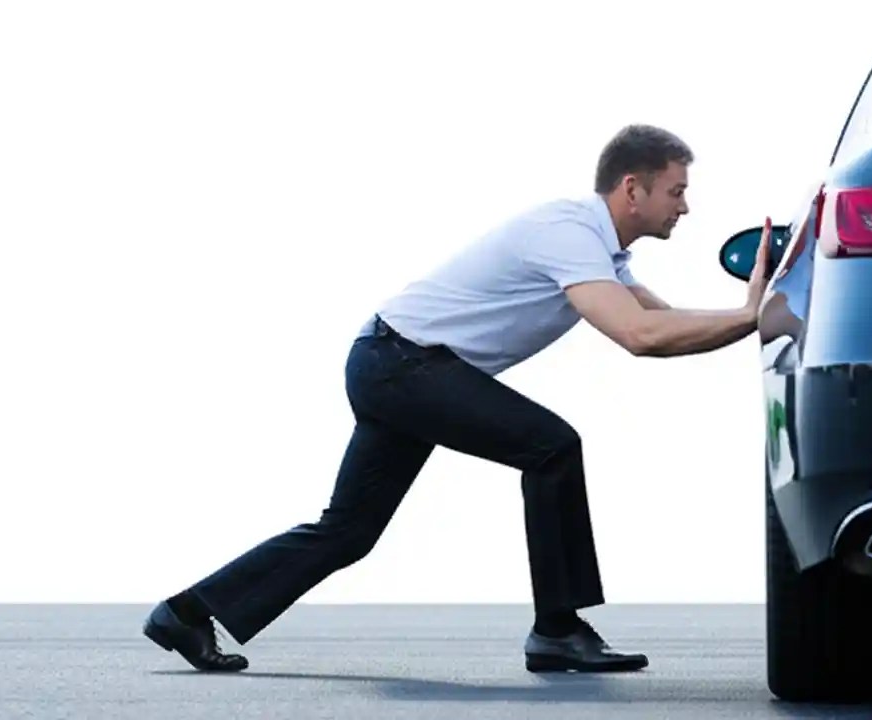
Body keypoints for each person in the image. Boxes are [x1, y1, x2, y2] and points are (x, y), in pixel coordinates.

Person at [142, 123, 774, 674]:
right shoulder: (569, 231)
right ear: (631, 188)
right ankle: (558, 630)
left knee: (349, 531)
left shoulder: (598, 249)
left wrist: (756, 310)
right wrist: (747, 317)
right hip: (403, 363)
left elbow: (665, 321)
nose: (685, 207)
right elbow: (640, 337)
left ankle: (186, 614)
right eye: (677, 190)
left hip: (396, 362)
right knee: (551, 446)